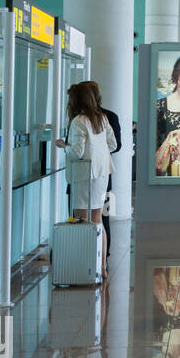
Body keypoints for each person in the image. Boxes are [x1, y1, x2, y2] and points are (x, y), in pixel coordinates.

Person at [55, 81, 116, 270]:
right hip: (102, 174)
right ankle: (102, 267)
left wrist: (63, 146)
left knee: (82, 219)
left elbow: (77, 153)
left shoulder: (78, 121)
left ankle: (85, 267)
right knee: (98, 219)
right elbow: (112, 145)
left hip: (83, 176)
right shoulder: (102, 118)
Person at [87, 82, 122, 257]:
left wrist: (95, 149)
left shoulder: (109, 116)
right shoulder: (78, 118)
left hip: (101, 175)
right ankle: (90, 254)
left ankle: (103, 256)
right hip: (90, 175)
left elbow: (116, 145)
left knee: (104, 216)